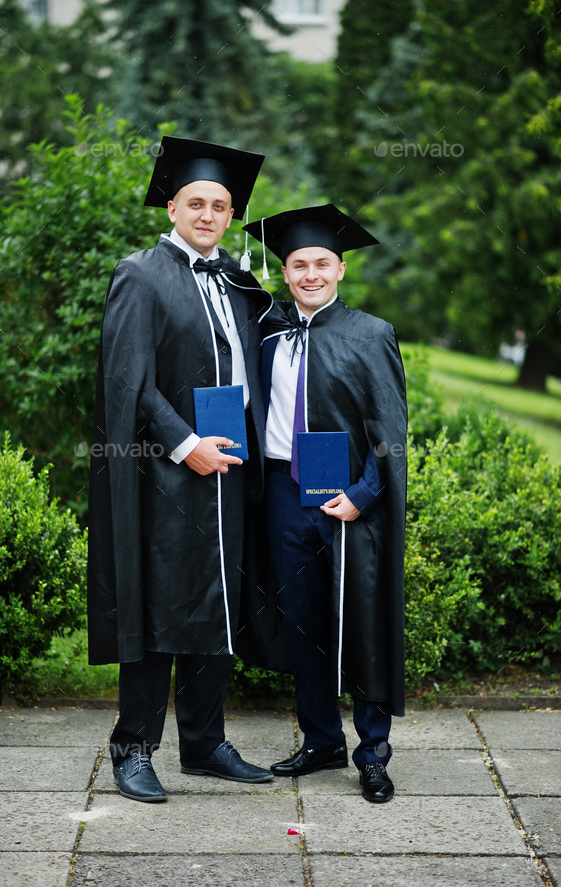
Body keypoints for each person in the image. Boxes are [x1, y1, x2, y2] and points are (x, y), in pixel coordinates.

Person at [87, 137, 274, 803]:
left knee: (216, 603)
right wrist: (183, 442)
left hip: (229, 474)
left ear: (230, 216)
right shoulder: (140, 274)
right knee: (159, 603)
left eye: (220, 205)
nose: (207, 213)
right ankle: (132, 746)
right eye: (196, 202)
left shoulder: (239, 283)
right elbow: (127, 380)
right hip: (166, 479)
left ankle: (204, 742)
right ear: (172, 206)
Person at [243, 204, 407, 803]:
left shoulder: (370, 335)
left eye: (321, 263)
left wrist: (364, 495)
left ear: (340, 270)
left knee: (359, 619)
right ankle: (320, 740)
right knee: (305, 622)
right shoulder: (271, 335)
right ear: (285, 273)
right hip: (285, 493)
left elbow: (390, 430)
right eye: (298, 265)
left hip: (347, 501)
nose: (310, 274)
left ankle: (372, 753)